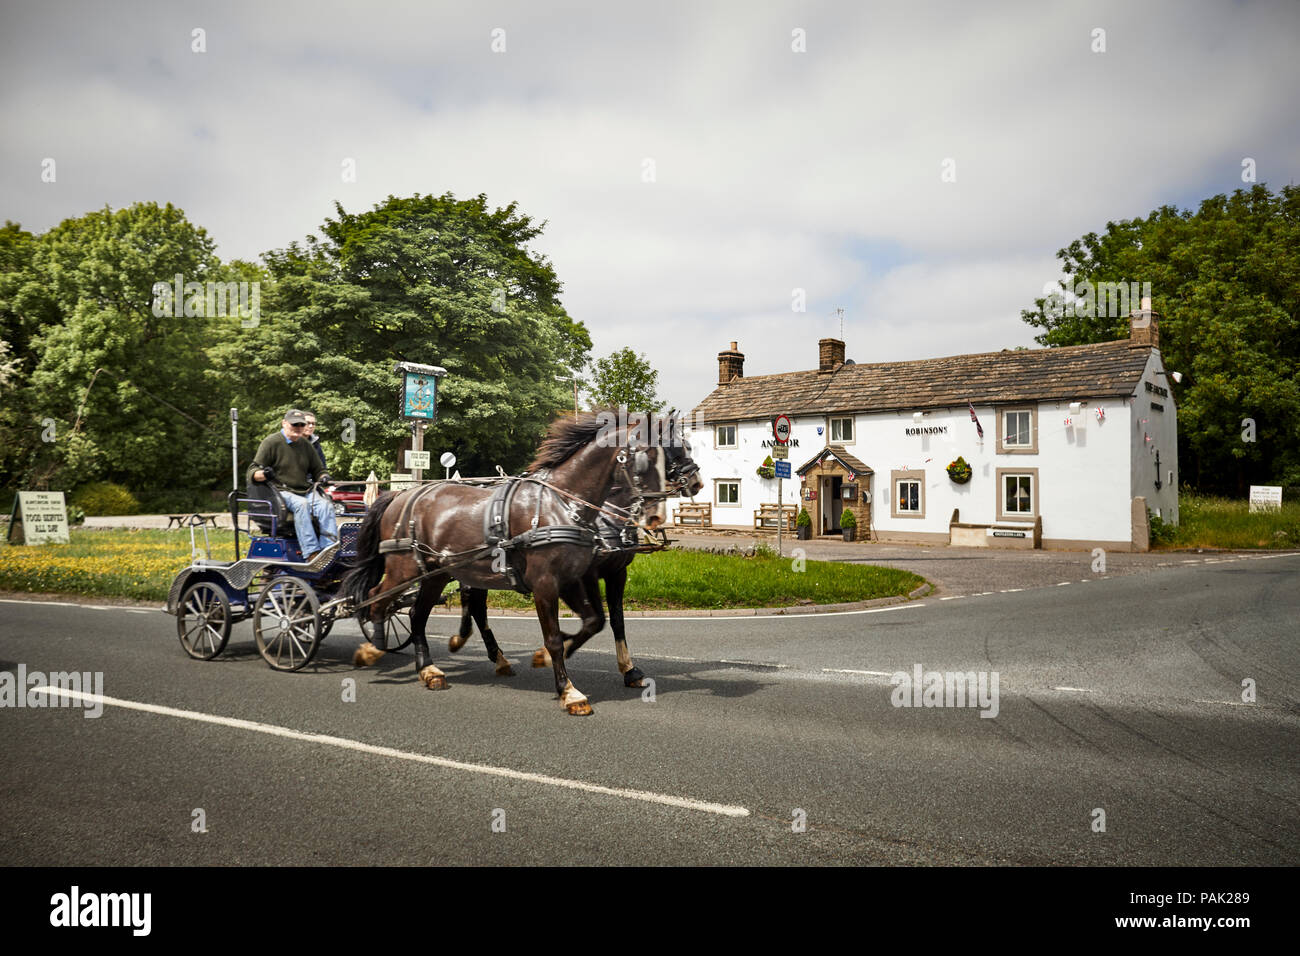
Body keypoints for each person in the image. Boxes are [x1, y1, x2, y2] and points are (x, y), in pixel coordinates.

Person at [247, 408, 339, 562]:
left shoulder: (305, 444)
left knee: (325, 505)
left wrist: (323, 477)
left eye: (301, 425)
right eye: (294, 424)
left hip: (304, 490)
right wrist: (264, 474)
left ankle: (328, 550)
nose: (298, 428)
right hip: (280, 492)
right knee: (301, 505)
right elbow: (252, 471)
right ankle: (311, 553)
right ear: (284, 423)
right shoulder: (271, 442)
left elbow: (319, 469)